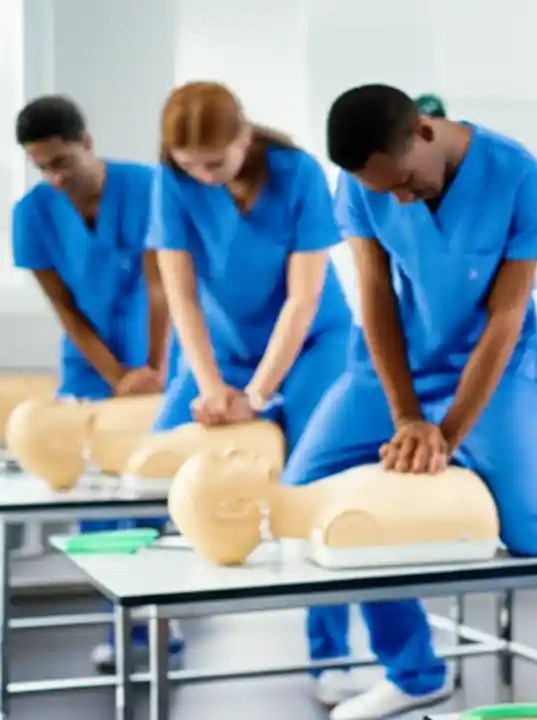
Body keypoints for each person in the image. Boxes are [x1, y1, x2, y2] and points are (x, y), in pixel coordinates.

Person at [289, 83, 537, 719]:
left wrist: (444, 434)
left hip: (495, 366)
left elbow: (505, 317)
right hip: (393, 363)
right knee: (311, 489)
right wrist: (405, 417)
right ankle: (414, 670)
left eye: (403, 183)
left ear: (423, 131)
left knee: (531, 530)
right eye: (382, 191)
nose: (397, 198)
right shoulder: (363, 184)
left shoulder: (521, 177)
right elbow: (375, 295)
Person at [143, 81, 353, 673]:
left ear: (243, 136)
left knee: (316, 478)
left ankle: (330, 650)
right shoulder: (173, 180)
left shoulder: (298, 174)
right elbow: (180, 295)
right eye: (190, 166)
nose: (204, 176)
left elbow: (303, 298)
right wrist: (211, 388)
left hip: (313, 340)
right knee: (158, 464)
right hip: (221, 345)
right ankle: (153, 631)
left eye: (216, 161)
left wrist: (258, 396)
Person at [13, 95, 176, 672]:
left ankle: (163, 618)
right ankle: (119, 624)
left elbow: (164, 285)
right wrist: (114, 376)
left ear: (87, 142)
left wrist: (152, 370)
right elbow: (65, 309)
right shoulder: (31, 214)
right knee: (97, 503)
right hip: (90, 367)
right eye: (43, 167)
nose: (56, 177)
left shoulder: (149, 187)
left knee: (151, 492)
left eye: (62, 161)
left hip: (156, 357)